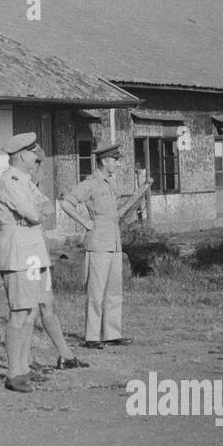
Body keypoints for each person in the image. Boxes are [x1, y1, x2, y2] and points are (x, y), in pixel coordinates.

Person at [0, 134, 89, 393]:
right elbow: (37, 213)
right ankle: (14, 373)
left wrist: (36, 213)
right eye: (32, 153)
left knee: (32, 311)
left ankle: (23, 369)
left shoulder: (24, 181)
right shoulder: (9, 180)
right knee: (20, 313)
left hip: (33, 251)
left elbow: (47, 205)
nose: (36, 157)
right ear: (22, 155)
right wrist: (35, 214)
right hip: (18, 254)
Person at [61, 142, 131, 348]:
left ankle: (112, 334)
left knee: (114, 291)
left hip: (114, 243)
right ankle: (92, 336)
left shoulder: (111, 184)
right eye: (115, 160)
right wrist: (85, 222)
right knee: (96, 291)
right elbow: (67, 203)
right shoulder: (90, 183)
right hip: (98, 243)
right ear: (104, 161)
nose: (117, 164)